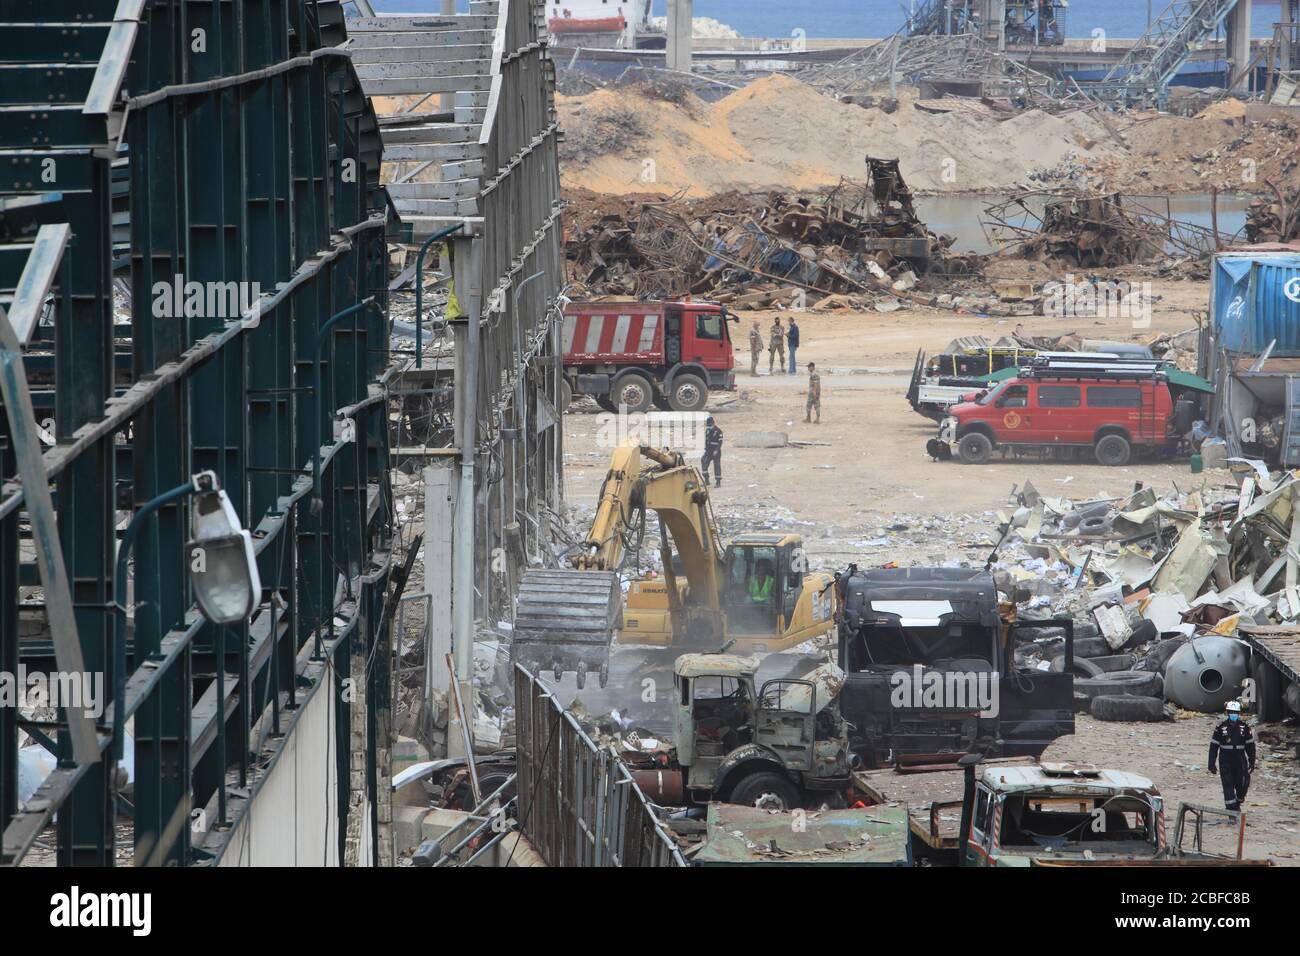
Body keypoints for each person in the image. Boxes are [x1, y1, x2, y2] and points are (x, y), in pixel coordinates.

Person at [1208, 700, 1256, 812]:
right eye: (1231, 712)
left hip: (1240, 760)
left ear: (1239, 713)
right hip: (1225, 760)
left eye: (1235, 712)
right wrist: (1211, 763)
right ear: (1227, 713)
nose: (1233, 714)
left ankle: (1238, 801)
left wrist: (1252, 761)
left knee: (1244, 783)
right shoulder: (1220, 727)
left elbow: (1250, 746)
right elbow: (1214, 746)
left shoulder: (1245, 728)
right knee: (1228, 785)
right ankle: (1231, 811)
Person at [701, 415, 723, 487]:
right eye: (708, 425)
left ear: (714, 423)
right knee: (703, 461)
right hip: (708, 451)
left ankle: (718, 482)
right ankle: (706, 480)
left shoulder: (719, 431)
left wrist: (716, 450)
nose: (709, 427)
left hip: (716, 452)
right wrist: (706, 450)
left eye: (710, 425)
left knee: (717, 465)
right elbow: (706, 441)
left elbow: (720, 443)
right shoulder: (707, 430)